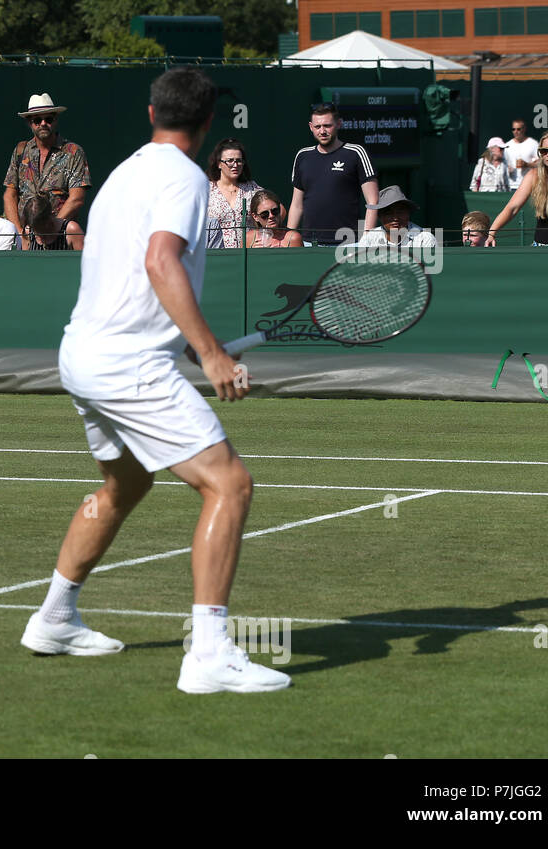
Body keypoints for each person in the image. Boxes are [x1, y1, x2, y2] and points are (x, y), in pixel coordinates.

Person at [27, 66, 288, 694]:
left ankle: (54, 617)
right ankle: (209, 655)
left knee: (125, 483)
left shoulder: (123, 174)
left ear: (151, 114)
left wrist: (199, 345)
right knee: (230, 484)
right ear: (206, 125)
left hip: (83, 353)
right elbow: (159, 259)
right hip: (126, 363)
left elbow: (131, 273)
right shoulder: (184, 178)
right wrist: (209, 353)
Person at [288, 103, 379, 245]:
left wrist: (366, 240)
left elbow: (373, 201)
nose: (322, 131)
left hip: (349, 242)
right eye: (317, 127)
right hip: (309, 243)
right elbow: (296, 205)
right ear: (311, 127)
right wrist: (289, 238)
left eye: (327, 126)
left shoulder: (356, 153)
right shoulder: (302, 156)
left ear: (338, 124)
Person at [3, 93, 91, 235]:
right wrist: (18, 231)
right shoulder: (21, 150)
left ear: (56, 120)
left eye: (48, 119)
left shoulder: (73, 152)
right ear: (29, 123)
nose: (43, 123)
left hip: (58, 234)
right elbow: (9, 195)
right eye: (37, 120)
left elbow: (77, 198)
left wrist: (51, 229)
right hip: (25, 236)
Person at [205, 138, 262, 248]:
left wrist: (261, 235)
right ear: (219, 164)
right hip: (217, 256)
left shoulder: (251, 188)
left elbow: (277, 209)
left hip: (246, 256)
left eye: (239, 161)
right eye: (230, 161)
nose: (235, 165)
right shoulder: (207, 189)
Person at [354, 186, 437, 249]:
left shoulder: (425, 239)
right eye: (388, 213)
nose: (395, 217)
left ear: (408, 214)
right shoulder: (370, 239)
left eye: (400, 212)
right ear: (380, 216)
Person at [503, 118, 540, 187]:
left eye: (518, 129)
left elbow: (541, 163)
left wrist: (527, 164)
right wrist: (507, 169)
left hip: (529, 185)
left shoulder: (533, 144)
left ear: (524, 129)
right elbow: (504, 163)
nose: (516, 132)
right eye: (513, 129)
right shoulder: (507, 145)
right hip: (511, 185)